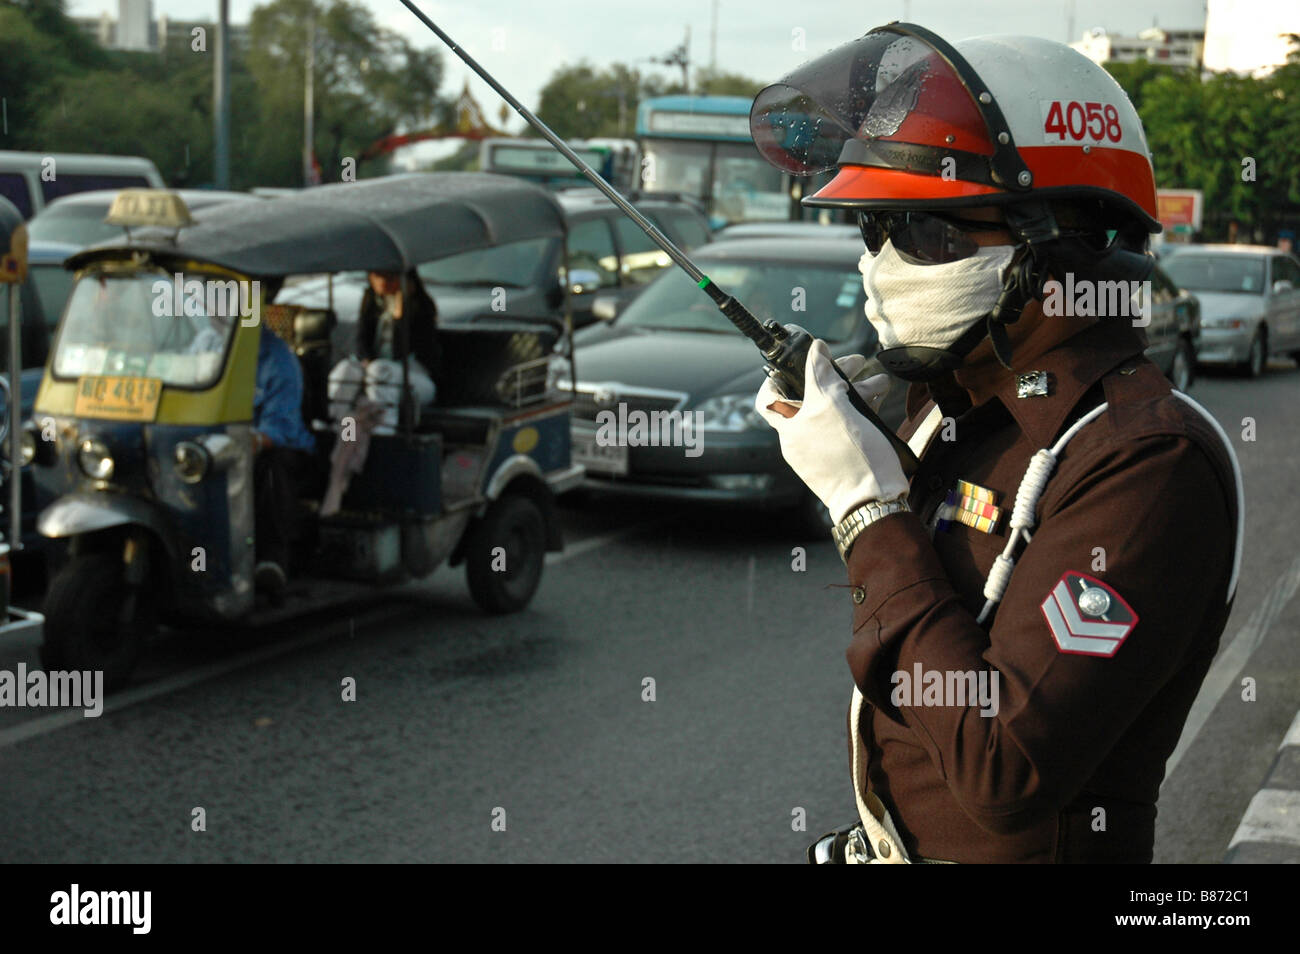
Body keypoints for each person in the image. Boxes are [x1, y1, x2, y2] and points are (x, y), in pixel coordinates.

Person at [750, 24, 1243, 863]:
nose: (881, 265)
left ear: (1060, 251)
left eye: (926, 235)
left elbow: (1004, 771)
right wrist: (884, 447)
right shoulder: (960, 411)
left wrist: (867, 511)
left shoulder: (1147, 460)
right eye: (872, 228)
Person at [328, 270, 441, 432]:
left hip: (415, 378)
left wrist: (400, 316)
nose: (382, 282)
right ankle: (344, 433)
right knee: (345, 371)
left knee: (381, 371)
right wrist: (364, 359)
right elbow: (360, 339)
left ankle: (383, 433)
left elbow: (408, 350)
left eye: (390, 277)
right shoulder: (371, 300)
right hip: (375, 373)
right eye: (377, 276)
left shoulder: (421, 307)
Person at [252, 316, 317, 597]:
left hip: (285, 447)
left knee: (269, 465)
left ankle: (273, 559)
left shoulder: (277, 359)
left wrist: (245, 442)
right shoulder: (205, 345)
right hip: (226, 443)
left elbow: (278, 429)